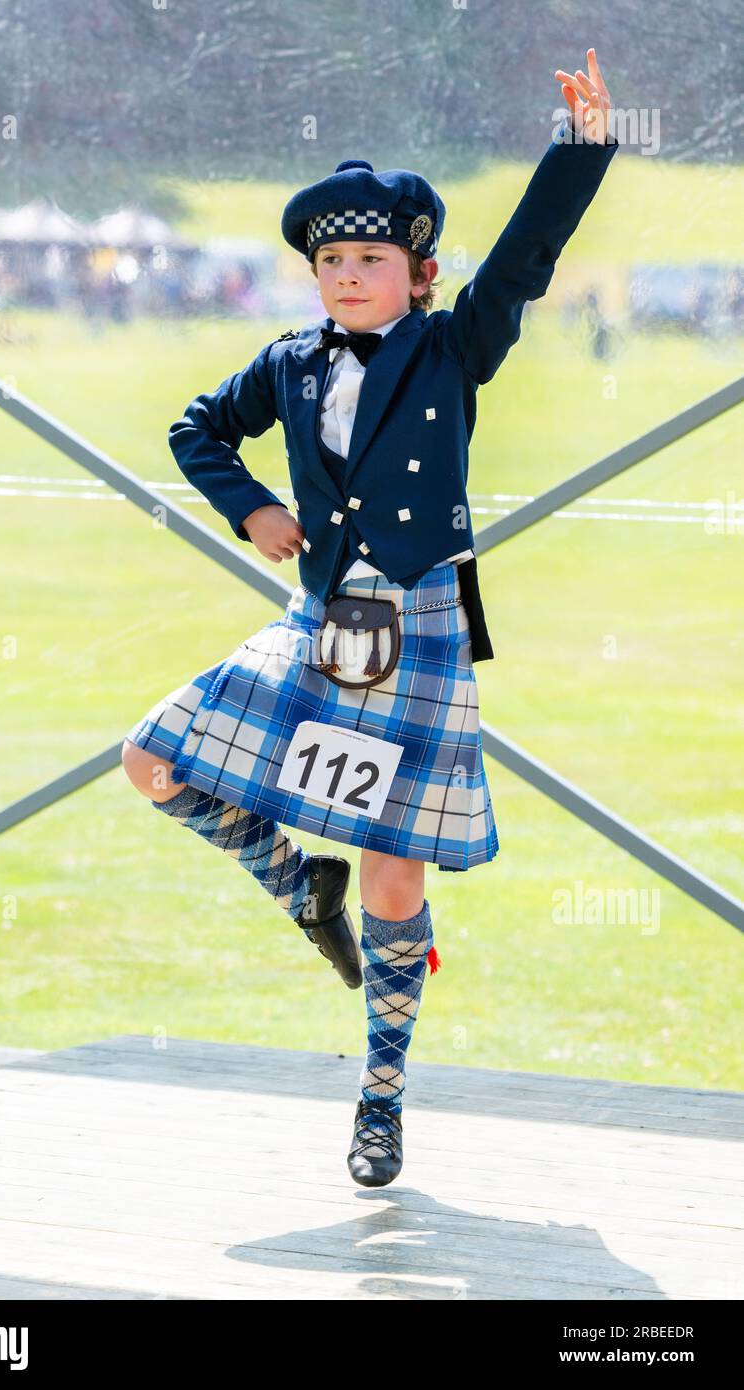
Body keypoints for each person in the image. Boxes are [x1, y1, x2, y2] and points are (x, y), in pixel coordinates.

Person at [123, 50, 619, 1187]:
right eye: (331, 260)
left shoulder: (454, 348)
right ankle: (304, 887)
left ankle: (381, 1099)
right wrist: (248, 505)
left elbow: (527, 260)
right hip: (319, 625)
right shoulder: (290, 362)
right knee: (152, 759)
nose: (347, 276)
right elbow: (197, 428)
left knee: (399, 884)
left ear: (418, 271)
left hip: (423, 624)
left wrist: (583, 147)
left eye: (371, 258)